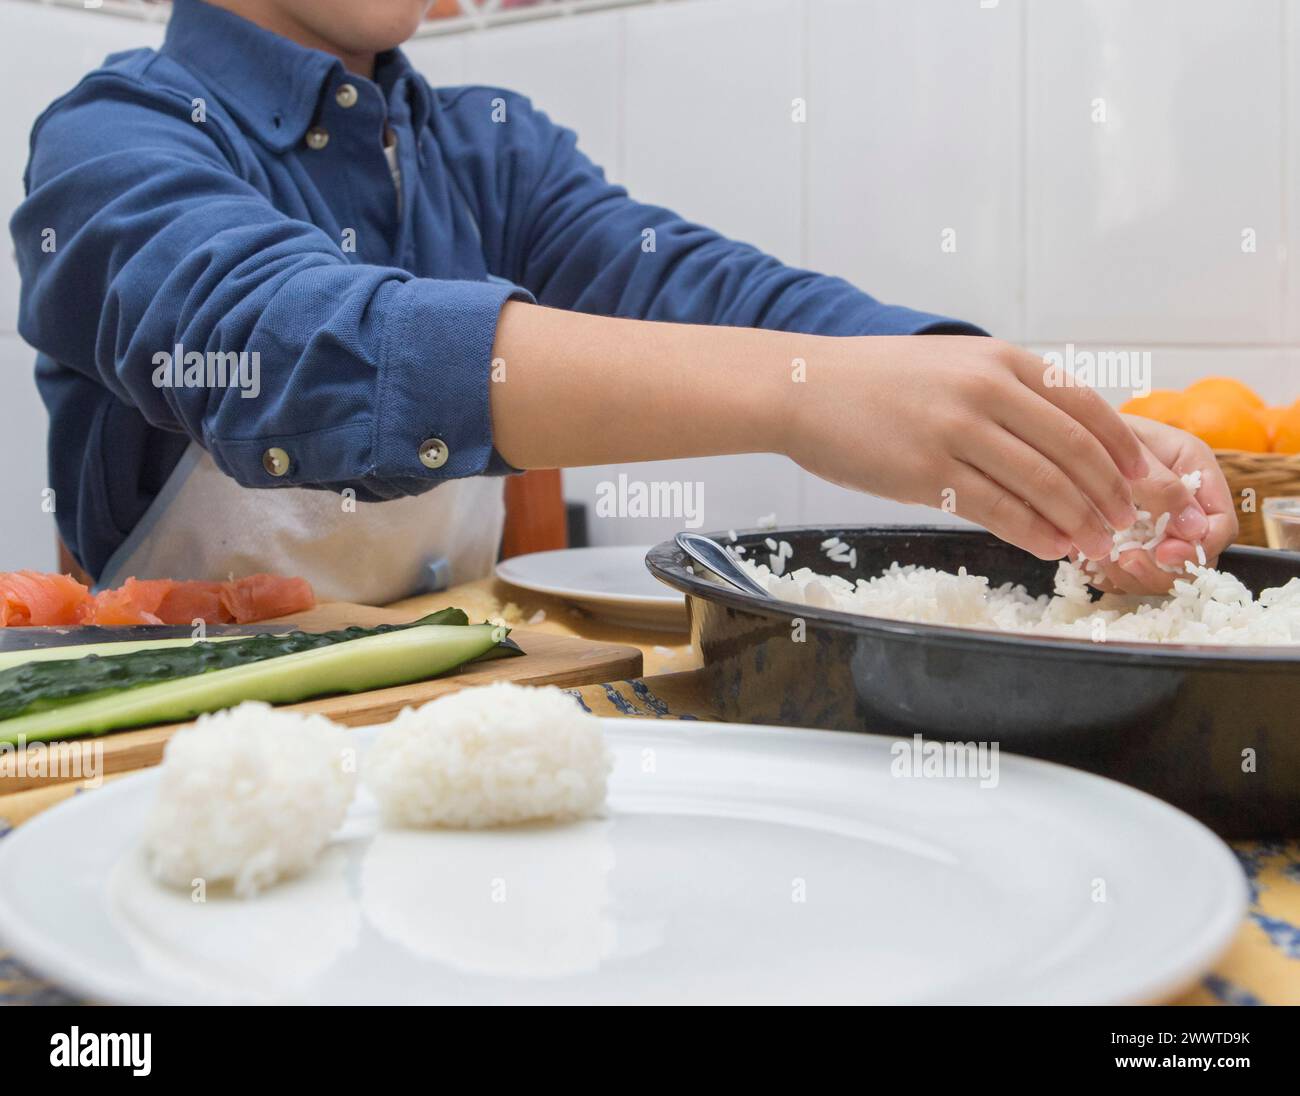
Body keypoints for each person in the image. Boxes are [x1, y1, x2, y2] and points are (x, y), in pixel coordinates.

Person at [10, 0, 1235, 604]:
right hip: (177, 785)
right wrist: (800, 402)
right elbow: (291, 352)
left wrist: (1022, 418)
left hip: (444, 751)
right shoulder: (111, 141)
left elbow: (702, 288)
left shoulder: (488, 151)